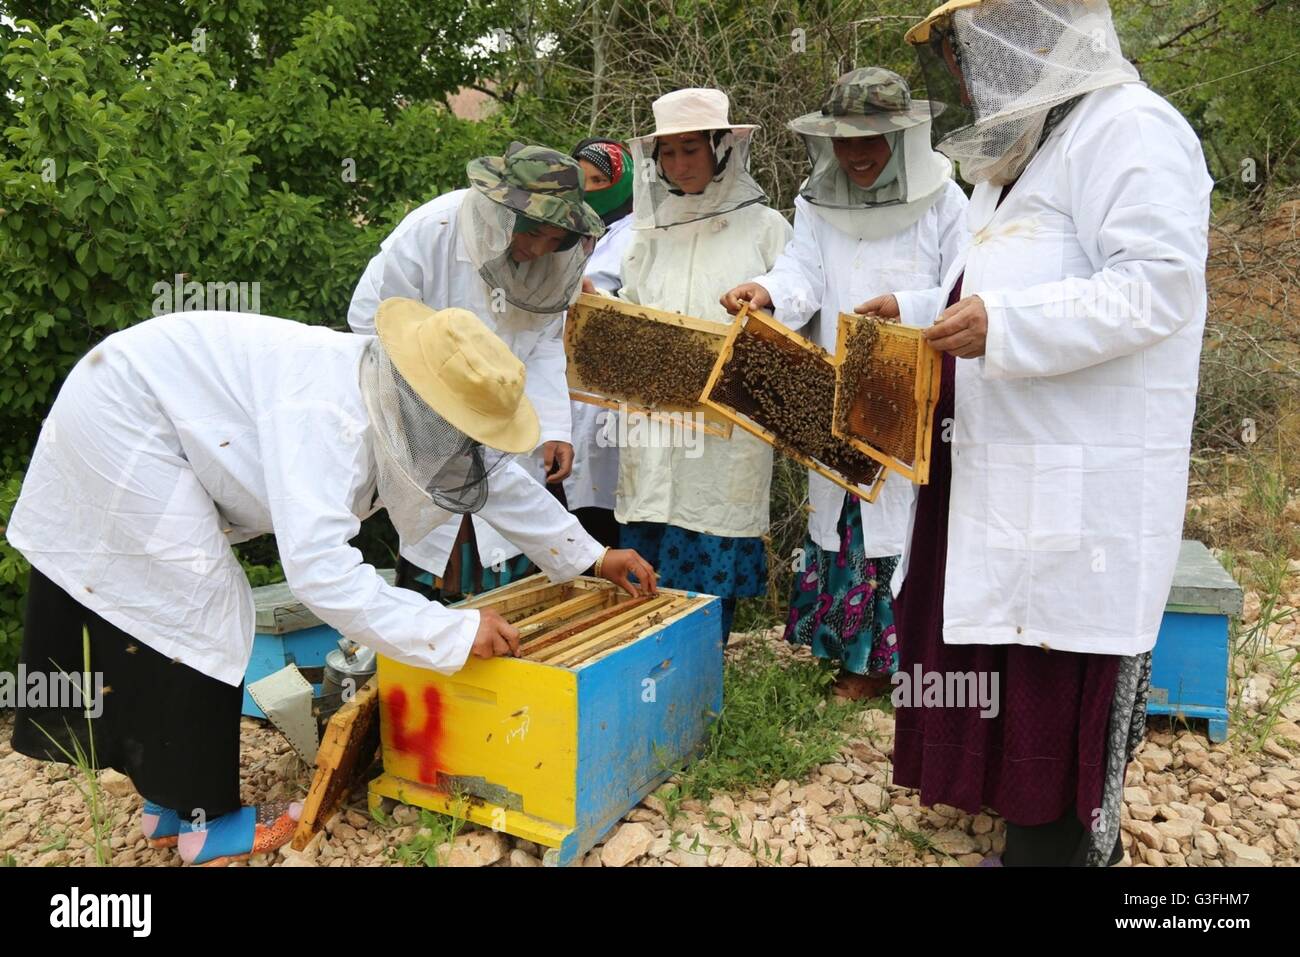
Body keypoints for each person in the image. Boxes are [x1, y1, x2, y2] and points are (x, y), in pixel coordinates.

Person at [6, 298, 655, 866]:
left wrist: (590, 555)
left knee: (169, 612)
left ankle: (169, 805)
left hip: (138, 403)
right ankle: (206, 828)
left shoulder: (420, 402)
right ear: (428, 402)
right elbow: (318, 570)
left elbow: (491, 477)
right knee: (201, 609)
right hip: (125, 418)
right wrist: (452, 629)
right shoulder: (326, 414)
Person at [870, 0, 1212, 866]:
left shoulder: (1133, 130)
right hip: (992, 465)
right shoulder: (1024, 150)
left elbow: (1157, 285)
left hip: (1075, 482)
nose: (961, 67)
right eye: (952, 52)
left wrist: (1008, 325)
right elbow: (996, 281)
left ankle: (1056, 855)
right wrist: (915, 311)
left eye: (969, 44)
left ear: (1038, 31)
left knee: (1054, 679)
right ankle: (1027, 842)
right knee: (999, 667)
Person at [721, 67, 968, 699]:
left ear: (904, 138)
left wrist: (907, 307)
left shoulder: (945, 201)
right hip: (833, 382)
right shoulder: (815, 199)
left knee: (896, 518)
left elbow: (965, 288)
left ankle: (882, 667)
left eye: (872, 141)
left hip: (913, 385)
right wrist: (768, 291)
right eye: (845, 141)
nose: (857, 155)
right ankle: (847, 652)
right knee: (842, 516)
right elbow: (802, 270)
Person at [348, 143, 604, 599]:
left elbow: (545, 343)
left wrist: (553, 427)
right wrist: (428, 402)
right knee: (439, 536)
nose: (540, 248)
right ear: (502, 209)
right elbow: (373, 320)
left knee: (512, 547)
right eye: (532, 232)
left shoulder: (554, 264)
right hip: (422, 411)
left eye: (556, 240)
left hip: (508, 420)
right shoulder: (432, 231)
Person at [615, 88, 793, 639]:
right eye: (667, 153)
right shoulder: (647, 233)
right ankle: (645, 669)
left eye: (690, 149)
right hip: (651, 417)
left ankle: (703, 677)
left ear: (721, 147)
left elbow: (793, 318)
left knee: (710, 539)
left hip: (725, 426)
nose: (678, 164)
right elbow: (629, 302)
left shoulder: (766, 229)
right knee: (647, 560)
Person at [548, 138, 639, 548]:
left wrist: (597, 305)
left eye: (601, 180)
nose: (591, 190)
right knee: (554, 515)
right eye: (582, 180)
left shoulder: (638, 236)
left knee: (602, 516)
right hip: (555, 385)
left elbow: (643, 311)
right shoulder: (561, 231)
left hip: (608, 396)